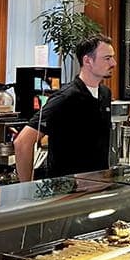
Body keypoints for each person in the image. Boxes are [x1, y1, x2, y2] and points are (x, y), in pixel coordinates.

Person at [14, 34, 116, 181]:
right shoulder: (65, 98)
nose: (114, 63)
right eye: (107, 58)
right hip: (66, 192)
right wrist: (26, 190)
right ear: (87, 61)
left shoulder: (105, 94)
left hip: (97, 189)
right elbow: (23, 142)